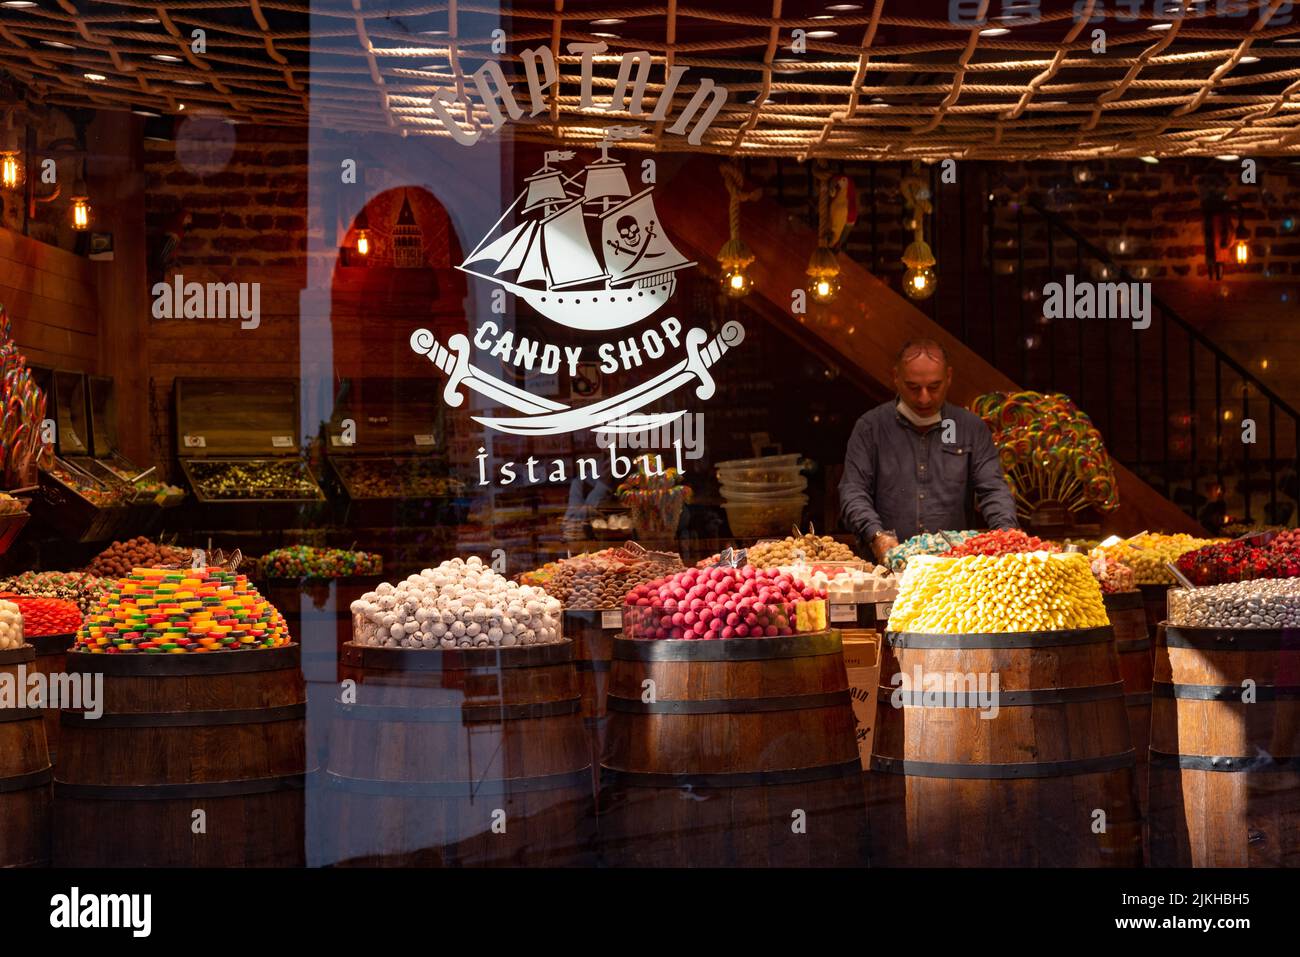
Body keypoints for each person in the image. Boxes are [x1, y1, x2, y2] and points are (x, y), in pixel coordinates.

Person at [839, 337, 1019, 563]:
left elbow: (993, 490)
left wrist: (1007, 537)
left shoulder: (970, 428)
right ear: (896, 377)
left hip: (954, 568)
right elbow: (853, 492)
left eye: (934, 387)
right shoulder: (871, 428)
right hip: (887, 569)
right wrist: (876, 535)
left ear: (949, 377)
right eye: (913, 387)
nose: (924, 398)